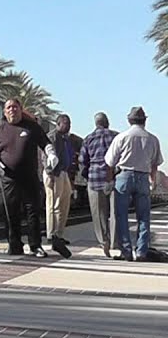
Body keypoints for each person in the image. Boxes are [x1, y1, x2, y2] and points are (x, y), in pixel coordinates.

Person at [0, 99, 60, 258]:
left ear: (21, 109)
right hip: (8, 179)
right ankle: (14, 245)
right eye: (9, 107)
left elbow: (45, 143)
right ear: (5, 112)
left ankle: (35, 246)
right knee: (10, 212)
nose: (12, 110)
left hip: (29, 177)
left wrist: (52, 154)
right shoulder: (0, 129)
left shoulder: (32, 127)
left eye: (15, 107)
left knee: (32, 211)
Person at [104, 106, 162, 261]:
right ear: (145, 121)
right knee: (144, 217)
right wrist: (152, 180)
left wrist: (110, 181)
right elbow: (156, 164)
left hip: (124, 177)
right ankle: (142, 251)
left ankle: (126, 251)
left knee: (121, 215)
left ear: (129, 120)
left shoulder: (121, 137)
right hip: (143, 178)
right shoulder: (152, 139)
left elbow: (109, 162)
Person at [79, 112, 118, 257]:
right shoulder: (115, 136)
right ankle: (115, 241)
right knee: (115, 212)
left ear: (96, 124)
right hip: (113, 177)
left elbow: (83, 160)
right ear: (107, 122)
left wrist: (87, 174)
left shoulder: (88, 139)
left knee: (98, 213)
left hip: (94, 178)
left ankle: (103, 241)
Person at [44, 114, 82, 253]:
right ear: (58, 123)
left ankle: (59, 234)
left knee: (64, 203)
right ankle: (51, 234)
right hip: (54, 173)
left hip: (64, 172)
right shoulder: (52, 137)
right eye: (66, 123)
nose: (69, 126)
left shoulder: (65, 138)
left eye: (70, 123)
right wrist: (50, 173)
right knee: (54, 204)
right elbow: (46, 155)